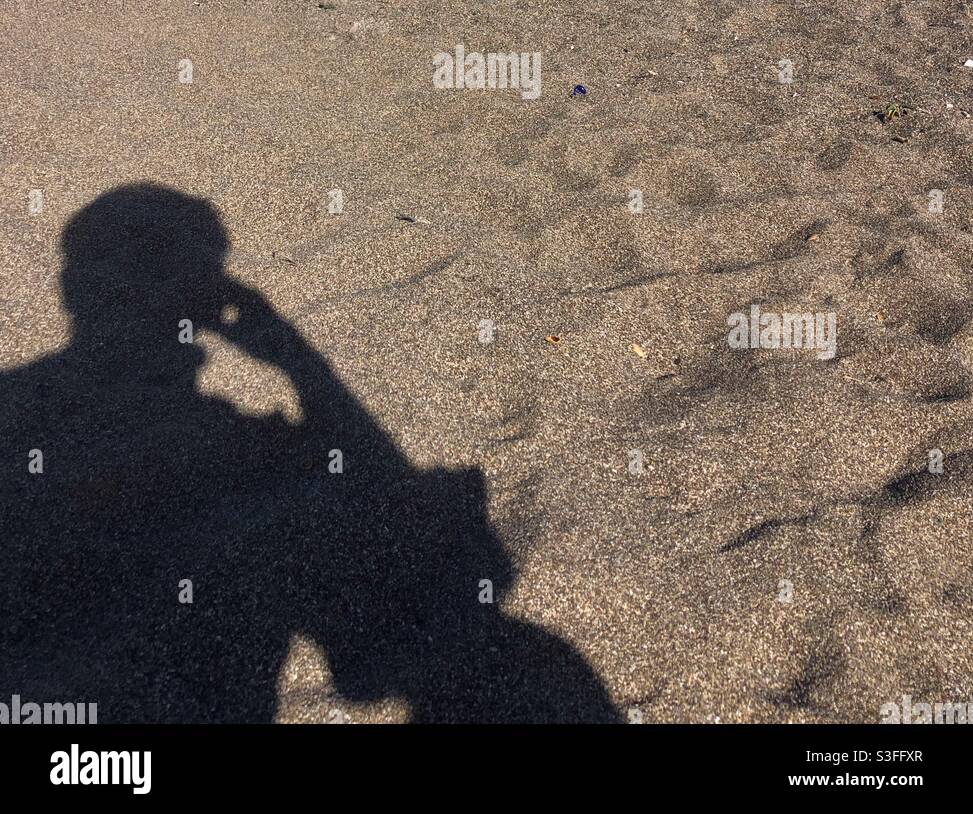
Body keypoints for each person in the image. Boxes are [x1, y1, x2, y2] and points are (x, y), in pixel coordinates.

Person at [0, 183, 621, 723]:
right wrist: (295, 358)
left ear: (72, 289)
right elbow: (374, 492)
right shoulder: (227, 442)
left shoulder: (19, 405)